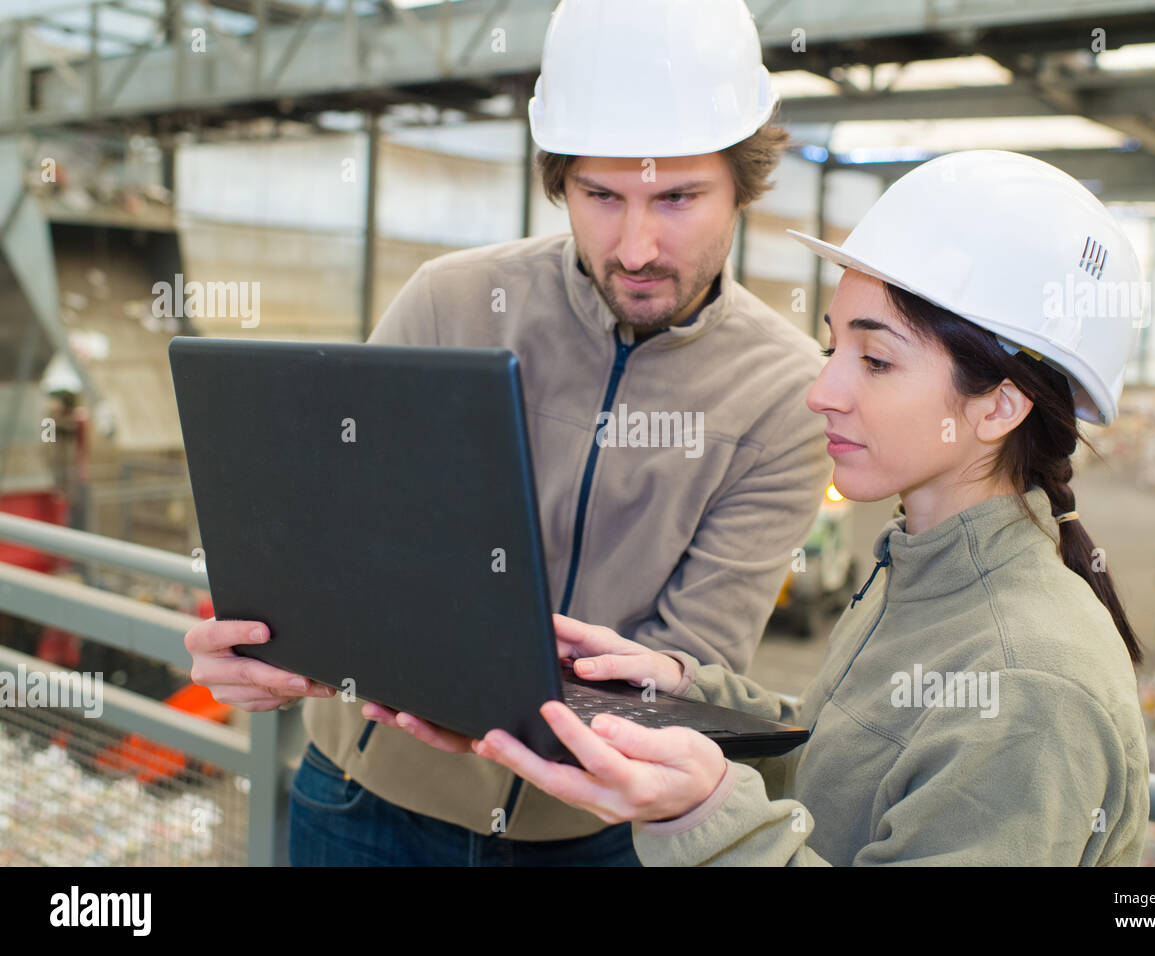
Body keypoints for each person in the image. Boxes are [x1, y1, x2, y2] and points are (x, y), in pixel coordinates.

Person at [181, 0, 832, 866]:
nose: (635, 245)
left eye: (677, 197)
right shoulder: (453, 300)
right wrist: (274, 644)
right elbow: (337, 541)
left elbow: (692, 662)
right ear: (558, 180)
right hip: (367, 800)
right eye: (601, 196)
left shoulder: (787, 395)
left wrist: (496, 714)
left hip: (589, 831)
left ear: (743, 186)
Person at [380, 149, 1153, 865]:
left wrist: (709, 815)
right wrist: (681, 690)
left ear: (998, 407)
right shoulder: (919, 576)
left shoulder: (1032, 687)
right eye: (833, 348)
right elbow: (842, 761)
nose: (822, 392)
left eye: (876, 360)